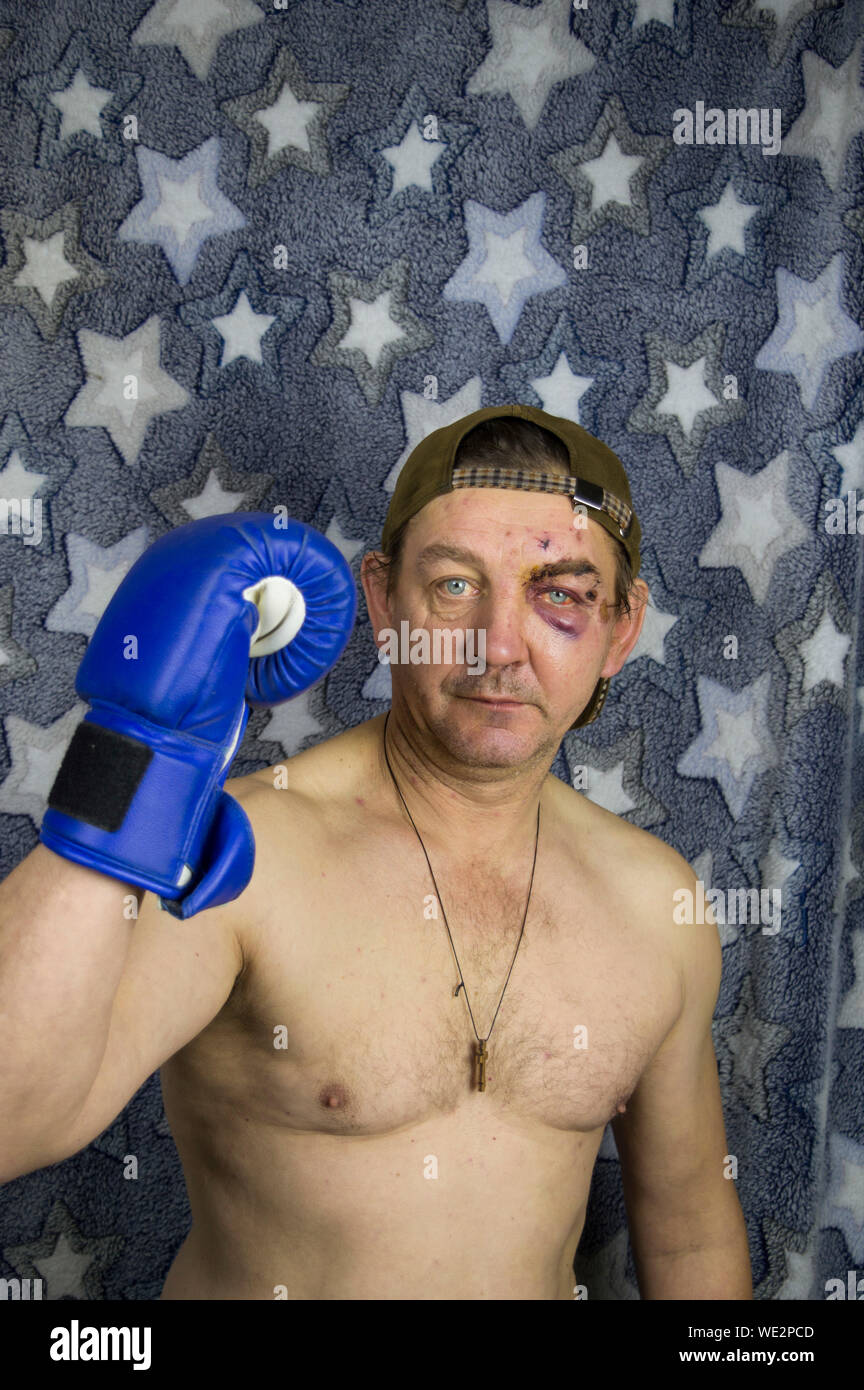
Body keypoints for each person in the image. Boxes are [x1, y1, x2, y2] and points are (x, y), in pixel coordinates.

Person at [0, 404, 752, 1300]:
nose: (499, 646)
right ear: (381, 601)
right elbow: (13, 1119)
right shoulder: (248, 854)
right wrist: (133, 754)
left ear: (621, 631)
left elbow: (694, 1243)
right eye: (456, 585)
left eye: (559, 592)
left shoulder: (653, 902)